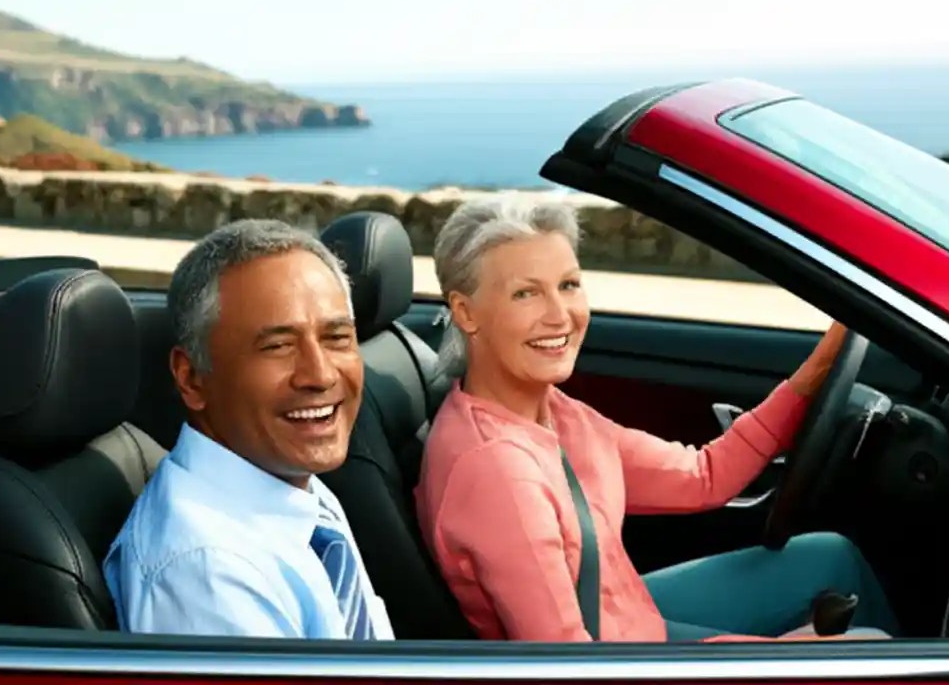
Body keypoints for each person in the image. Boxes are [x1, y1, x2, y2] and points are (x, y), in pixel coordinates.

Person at [413, 199, 899, 642]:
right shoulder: (496, 472)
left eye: (568, 285)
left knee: (831, 557)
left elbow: (703, 475)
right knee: (870, 647)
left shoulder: (554, 412)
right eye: (526, 294)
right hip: (617, 665)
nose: (560, 315)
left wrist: (818, 371)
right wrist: (773, 655)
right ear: (466, 312)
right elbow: (571, 670)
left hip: (625, 617)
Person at [104, 219, 394, 640]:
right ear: (191, 378)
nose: (320, 374)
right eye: (277, 346)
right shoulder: (208, 573)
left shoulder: (290, 487)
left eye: (336, 338)